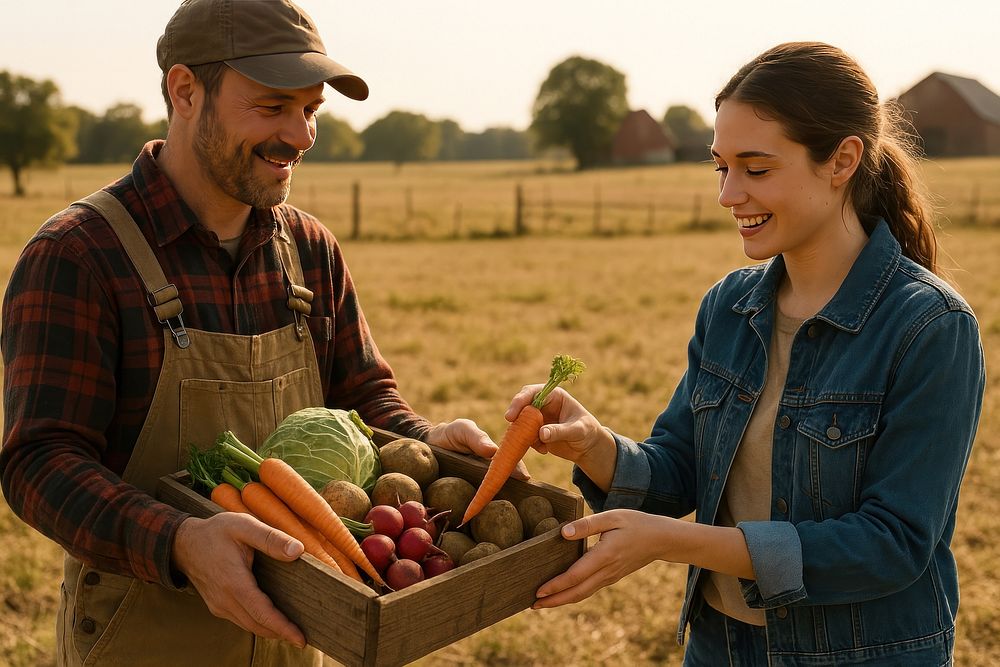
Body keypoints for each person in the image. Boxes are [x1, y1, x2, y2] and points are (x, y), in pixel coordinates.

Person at [0, 1, 509, 665]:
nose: (300, 136)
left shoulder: (309, 250)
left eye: (311, 110)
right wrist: (180, 540)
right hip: (145, 640)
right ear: (185, 90)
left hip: (298, 641)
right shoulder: (80, 254)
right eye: (272, 108)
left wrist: (426, 439)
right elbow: (40, 463)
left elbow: (365, 400)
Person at [517, 42, 986, 665]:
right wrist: (595, 447)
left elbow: (893, 544)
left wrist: (676, 542)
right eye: (721, 168)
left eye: (756, 169)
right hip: (722, 647)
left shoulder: (930, 326)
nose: (728, 193)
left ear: (843, 159)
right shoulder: (728, 308)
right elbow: (680, 470)